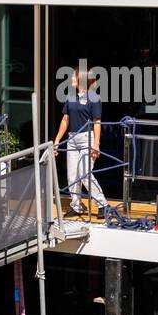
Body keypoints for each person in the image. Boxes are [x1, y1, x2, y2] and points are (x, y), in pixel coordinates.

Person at [53, 68, 109, 216]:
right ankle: (76, 206)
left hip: (87, 139)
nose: (71, 80)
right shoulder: (71, 97)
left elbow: (97, 123)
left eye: (73, 77)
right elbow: (65, 120)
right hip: (72, 139)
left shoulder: (94, 98)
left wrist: (96, 145)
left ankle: (103, 204)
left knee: (85, 174)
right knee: (72, 175)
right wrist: (57, 140)